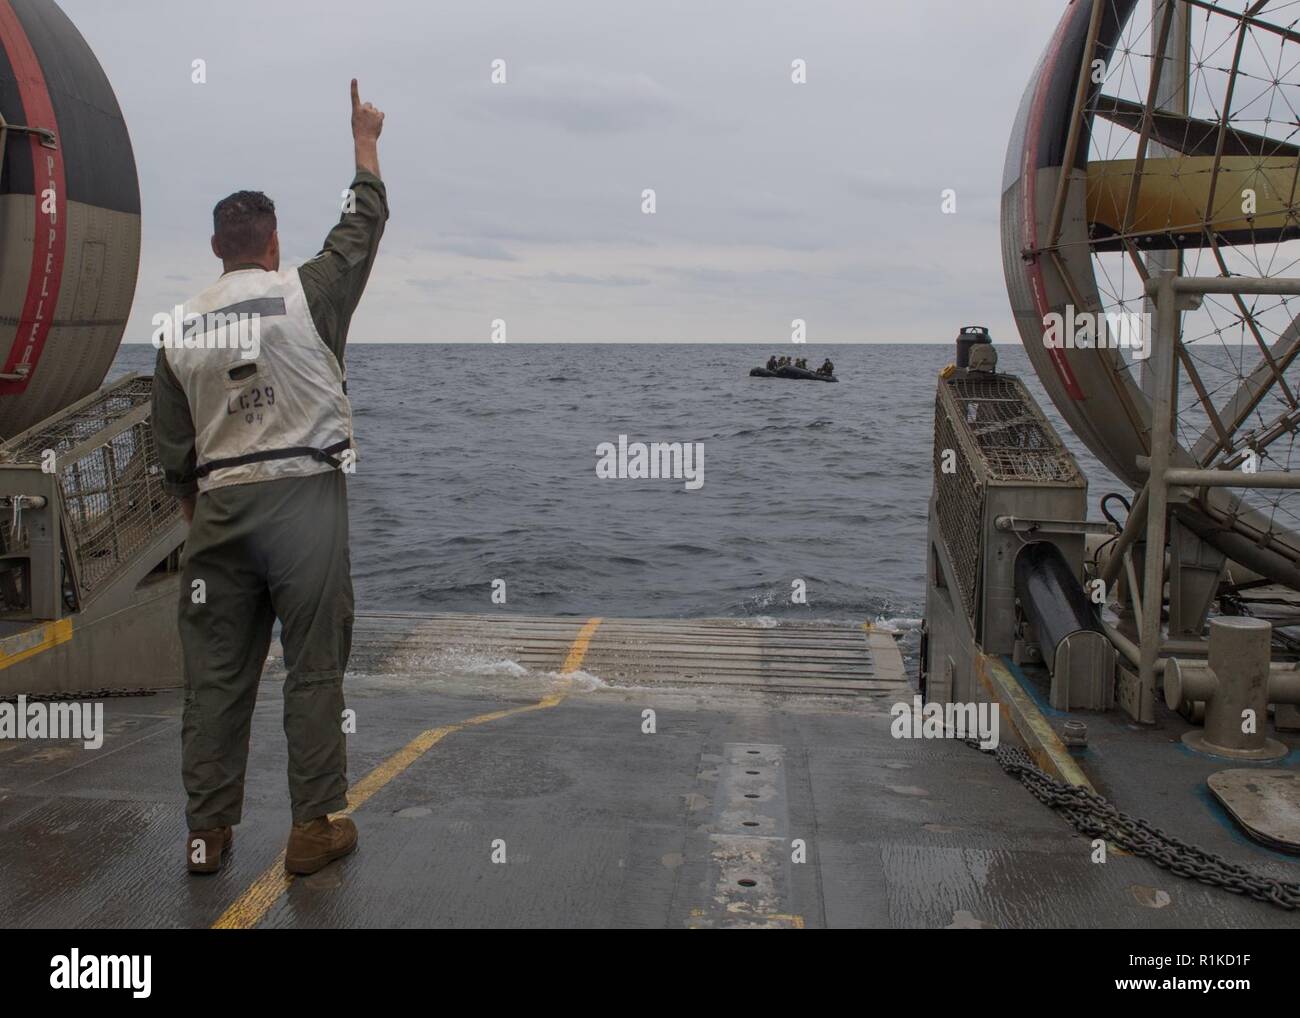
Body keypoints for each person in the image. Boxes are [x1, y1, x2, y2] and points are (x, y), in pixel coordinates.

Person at [151, 80, 388, 877]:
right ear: (273, 240)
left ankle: (205, 835)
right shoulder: (308, 293)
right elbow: (360, 230)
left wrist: (204, 517)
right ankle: (314, 828)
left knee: (215, 678)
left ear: (218, 246)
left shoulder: (178, 331)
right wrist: (364, 141)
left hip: (217, 511)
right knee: (313, 668)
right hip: (305, 503)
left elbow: (174, 454)